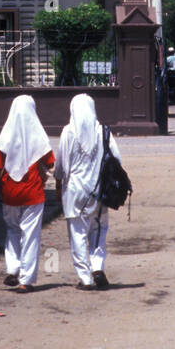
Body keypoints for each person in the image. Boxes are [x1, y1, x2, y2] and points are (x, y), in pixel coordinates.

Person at [0, 94, 54, 292]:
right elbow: (51, 163)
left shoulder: (6, 135)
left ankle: (13, 268)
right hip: (33, 192)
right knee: (30, 235)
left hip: (10, 192)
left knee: (12, 230)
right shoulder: (38, 136)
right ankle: (26, 280)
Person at [55, 92, 121, 291]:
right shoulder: (104, 132)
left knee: (78, 234)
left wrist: (58, 187)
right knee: (99, 230)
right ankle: (97, 267)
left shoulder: (68, 132)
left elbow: (59, 166)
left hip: (74, 192)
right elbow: (117, 159)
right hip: (99, 190)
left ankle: (85, 277)